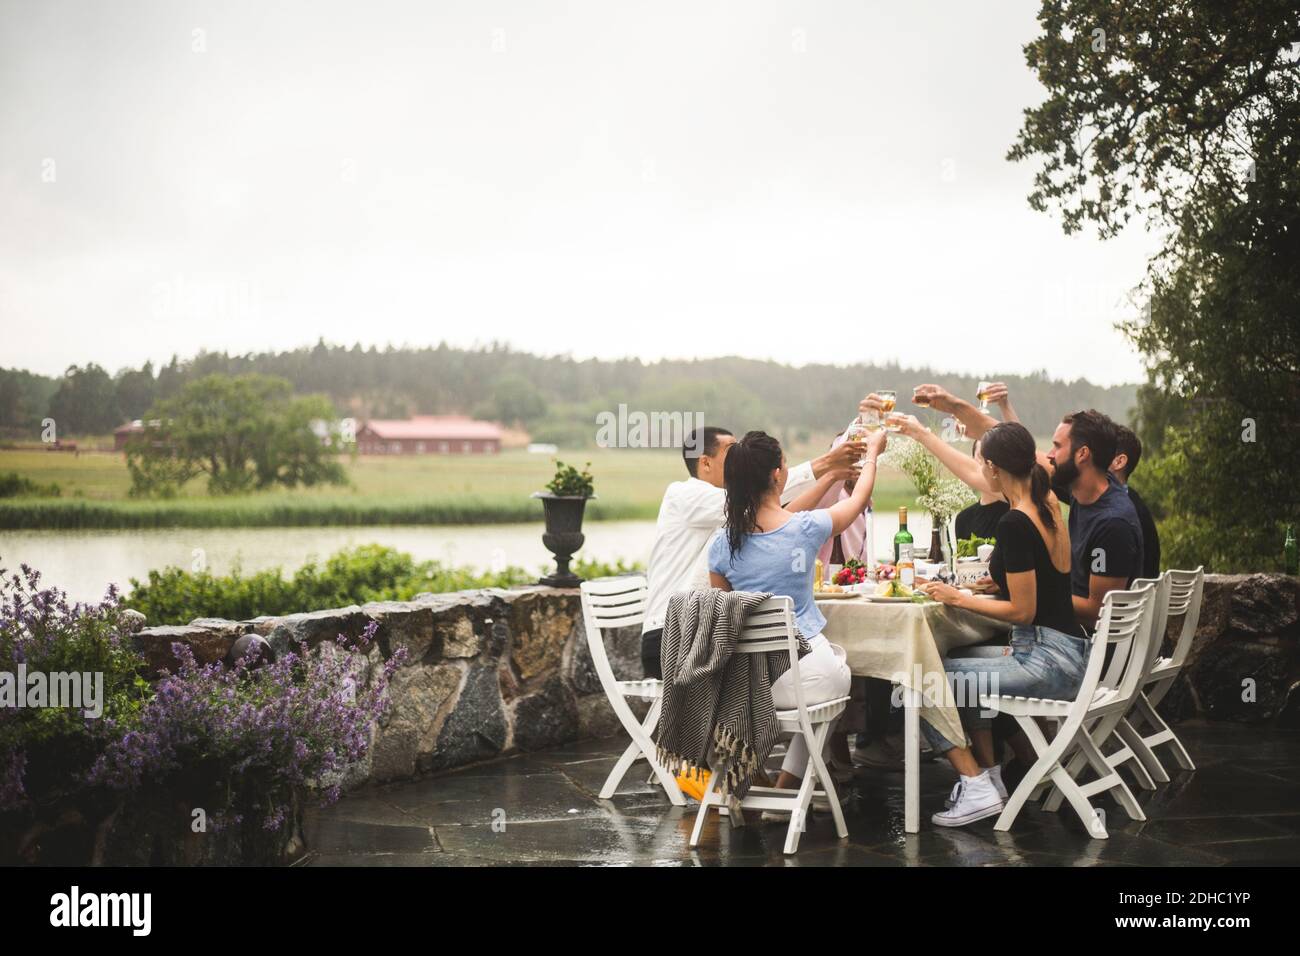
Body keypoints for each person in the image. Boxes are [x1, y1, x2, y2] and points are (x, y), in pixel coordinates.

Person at [907, 421, 1089, 827]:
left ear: (992, 467)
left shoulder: (1015, 521)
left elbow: (1024, 613)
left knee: (921, 678)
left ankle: (973, 784)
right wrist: (1000, 580)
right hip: (1071, 651)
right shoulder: (1049, 505)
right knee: (955, 656)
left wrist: (960, 598)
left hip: (1045, 660)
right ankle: (989, 779)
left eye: (981, 464)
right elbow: (1046, 580)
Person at [707, 427, 888, 796]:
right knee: (832, 688)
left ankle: (775, 787)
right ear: (777, 474)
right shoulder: (804, 530)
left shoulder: (720, 545)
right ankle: (790, 789)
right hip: (808, 680)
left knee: (817, 696)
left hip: (746, 689)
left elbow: (727, 616)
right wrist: (872, 453)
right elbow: (859, 500)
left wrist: (833, 475)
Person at [640, 425, 864, 679]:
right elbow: (762, 489)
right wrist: (824, 463)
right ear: (705, 463)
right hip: (671, 637)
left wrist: (828, 478)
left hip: (699, 635)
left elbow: (782, 518)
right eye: (731, 450)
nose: (740, 456)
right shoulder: (683, 495)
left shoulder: (739, 516)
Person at [1048, 409, 1144, 631]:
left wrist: (1036, 589)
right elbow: (1026, 458)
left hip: (1088, 650)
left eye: (1058, 446)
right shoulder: (1090, 487)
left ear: (1082, 454)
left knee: (956, 664)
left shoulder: (1112, 525)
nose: (1050, 455)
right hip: (1070, 634)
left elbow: (1096, 609)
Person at [1110, 425, 1161, 580]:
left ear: (1119, 462)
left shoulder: (1120, 514)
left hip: (1122, 601)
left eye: (1100, 449)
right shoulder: (1130, 500)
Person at [953, 438, 1009, 541]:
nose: (985, 463)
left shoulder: (1013, 510)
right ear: (972, 460)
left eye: (989, 457)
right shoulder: (964, 519)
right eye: (980, 456)